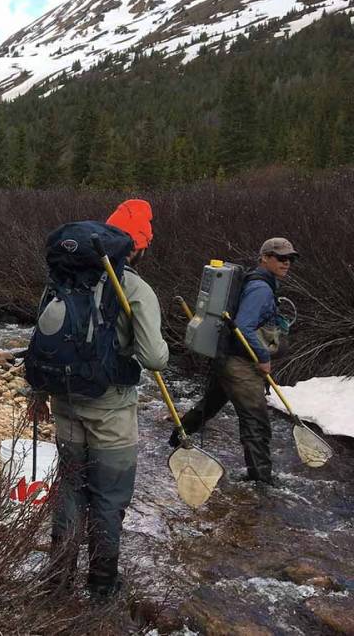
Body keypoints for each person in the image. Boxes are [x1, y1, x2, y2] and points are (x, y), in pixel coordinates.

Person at [29, 199, 169, 600]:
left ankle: (56, 581)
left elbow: (43, 339)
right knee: (108, 499)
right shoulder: (135, 288)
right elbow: (155, 358)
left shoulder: (62, 278)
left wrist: (37, 392)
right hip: (111, 411)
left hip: (65, 401)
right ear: (137, 247)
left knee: (72, 489)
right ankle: (102, 587)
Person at [172, 238, 298, 485]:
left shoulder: (258, 281)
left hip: (227, 358)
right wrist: (263, 358)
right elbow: (244, 326)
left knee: (210, 405)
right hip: (240, 363)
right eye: (280, 257)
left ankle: (176, 440)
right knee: (256, 422)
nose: (286, 263)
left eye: (290, 258)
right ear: (264, 258)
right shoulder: (261, 289)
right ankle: (261, 482)